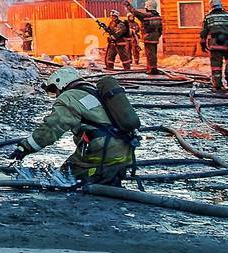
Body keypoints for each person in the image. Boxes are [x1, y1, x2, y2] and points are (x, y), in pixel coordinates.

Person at [8, 66, 138, 185]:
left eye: (54, 90)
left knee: (64, 176)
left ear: (61, 83)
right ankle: (108, 176)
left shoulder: (69, 97)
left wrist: (26, 147)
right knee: (71, 169)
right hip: (125, 150)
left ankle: (98, 178)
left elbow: (52, 127)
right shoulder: (93, 92)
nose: (56, 95)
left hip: (103, 152)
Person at [200, 0, 228, 90]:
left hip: (215, 44)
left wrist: (203, 43)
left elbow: (204, 31)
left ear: (211, 6)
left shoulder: (208, 17)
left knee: (216, 65)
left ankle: (217, 84)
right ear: (221, 5)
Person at [125, 0, 163, 74]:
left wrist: (128, 6)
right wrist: (157, 36)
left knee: (150, 54)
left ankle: (152, 70)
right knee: (153, 54)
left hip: (148, 37)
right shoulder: (158, 17)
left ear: (149, 7)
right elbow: (160, 29)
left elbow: (135, 13)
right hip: (155, 38)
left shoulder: (146, 16)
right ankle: (153, 68)